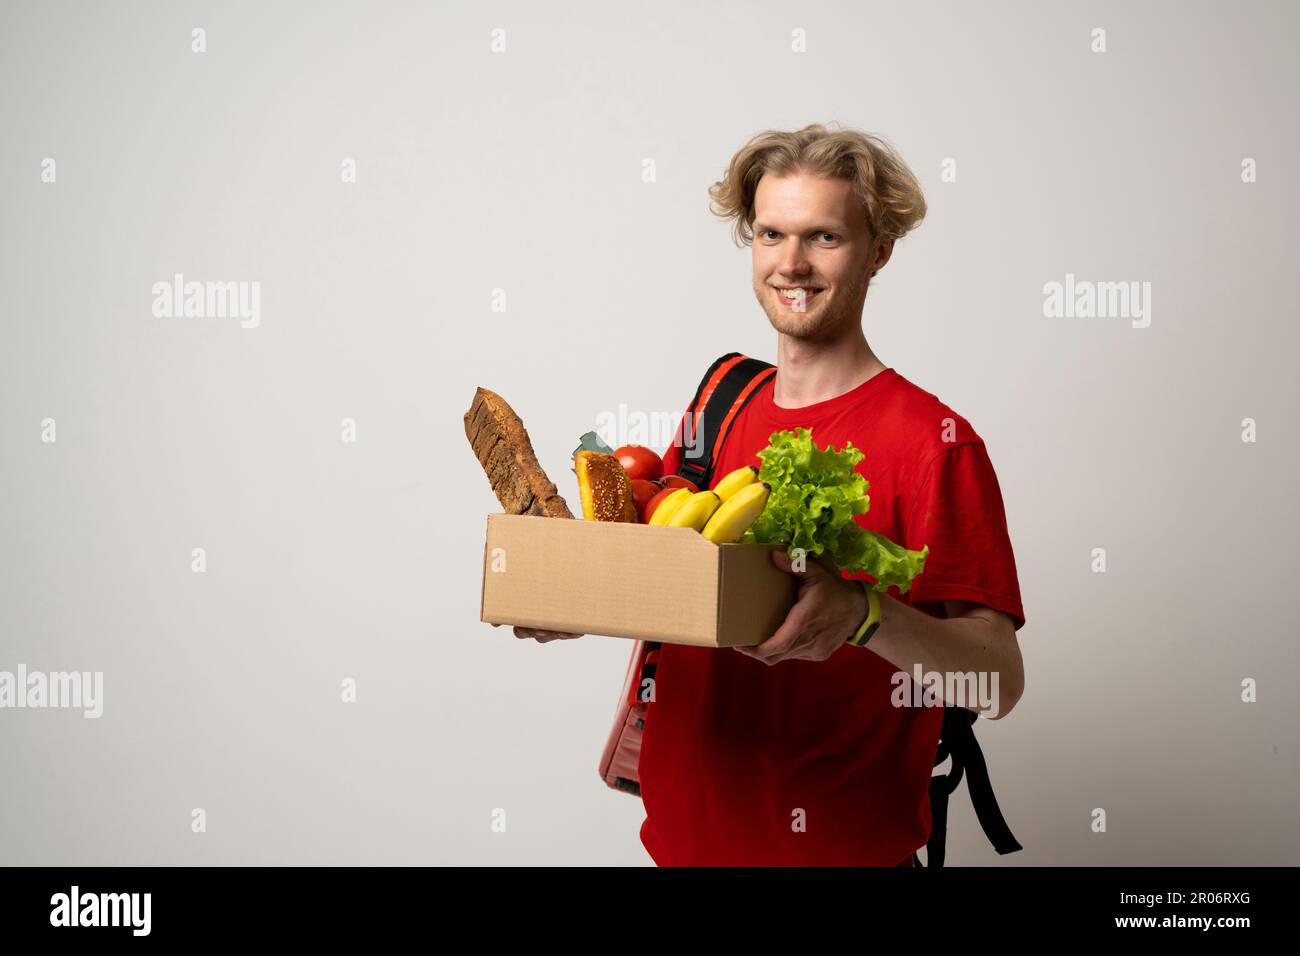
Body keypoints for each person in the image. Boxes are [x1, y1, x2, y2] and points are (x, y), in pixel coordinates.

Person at [500, 123, 1026, 867]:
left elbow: (997, 681)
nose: (792, 264)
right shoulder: (722, 401)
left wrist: (865, 615)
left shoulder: (934, 443)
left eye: (824, 238)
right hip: (677, 849)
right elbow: (679, 584)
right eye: (772, 233)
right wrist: (575, 600)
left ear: (879, 252)